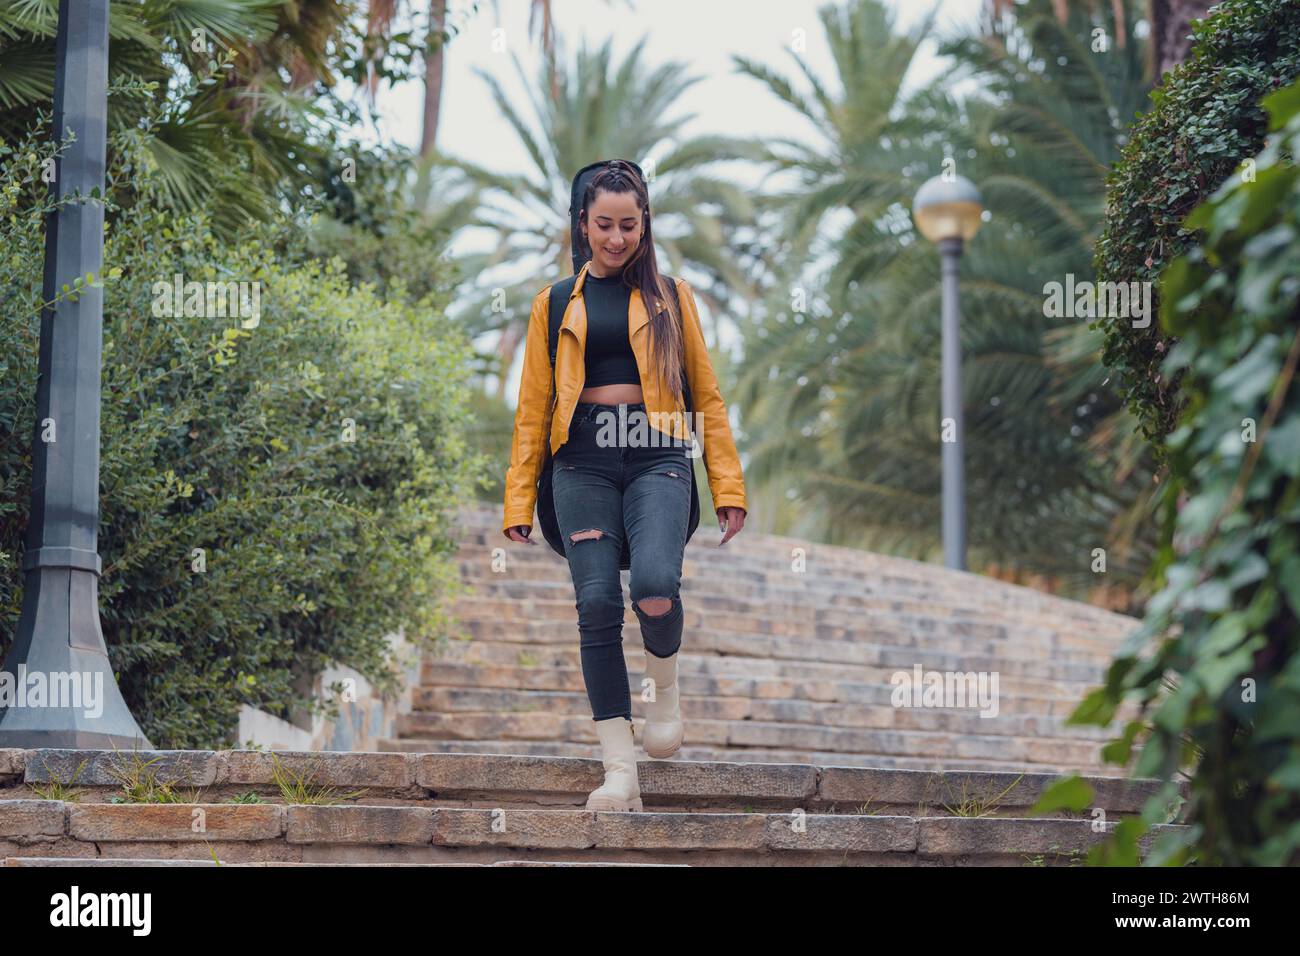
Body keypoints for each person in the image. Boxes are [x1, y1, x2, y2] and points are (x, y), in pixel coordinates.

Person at [501, 159, 748, 811]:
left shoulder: (672, 295)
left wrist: (727, 486)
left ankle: (664, 690)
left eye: (629, 225)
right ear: (582, 224)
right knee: (597, 603)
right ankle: (620, 773)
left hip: (657, 456)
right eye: (604, 224)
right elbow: (532, 406)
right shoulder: (553, 303)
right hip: (580, 461)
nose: (616, 238)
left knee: (657, 588)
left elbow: (709, 395)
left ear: (645, 226)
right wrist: (518, 496)